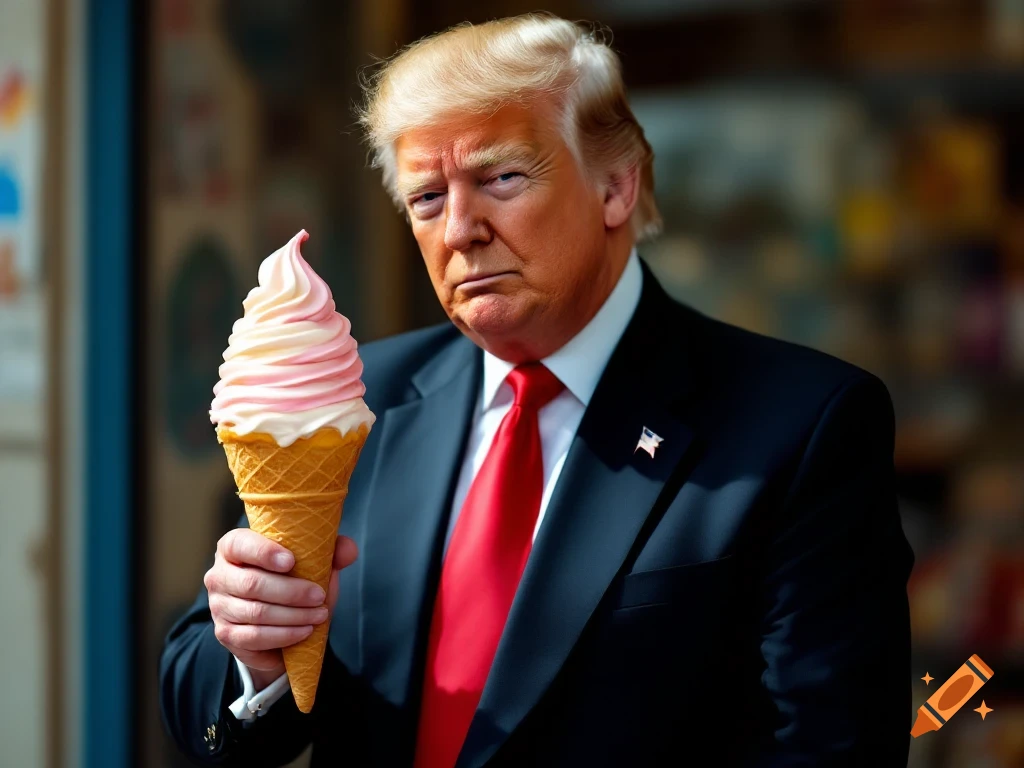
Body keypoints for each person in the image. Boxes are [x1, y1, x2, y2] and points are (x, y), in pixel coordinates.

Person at [160, 13, 914, 768]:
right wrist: (256, 659)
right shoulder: (353, 400)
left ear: (617, 186)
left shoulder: (801, 423)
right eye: (427, 198)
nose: (459, 229)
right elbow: (208, 722)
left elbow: (831, 747)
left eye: (501, 178)